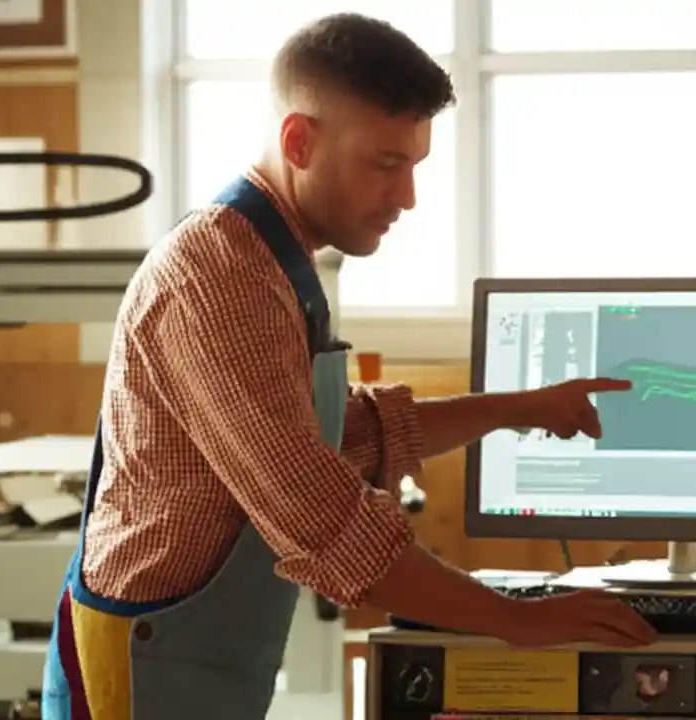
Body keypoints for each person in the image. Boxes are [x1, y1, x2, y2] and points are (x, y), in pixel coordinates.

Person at [41, 12, 656, 720]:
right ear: (299, 142)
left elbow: (342, 431)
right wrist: (515, 618)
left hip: (190, 647)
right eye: (386, 165)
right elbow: (321, 517)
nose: (407, 198)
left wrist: (518, 409)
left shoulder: (274, 258)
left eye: (415, 166)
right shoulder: (222, 275)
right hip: (145, 656)